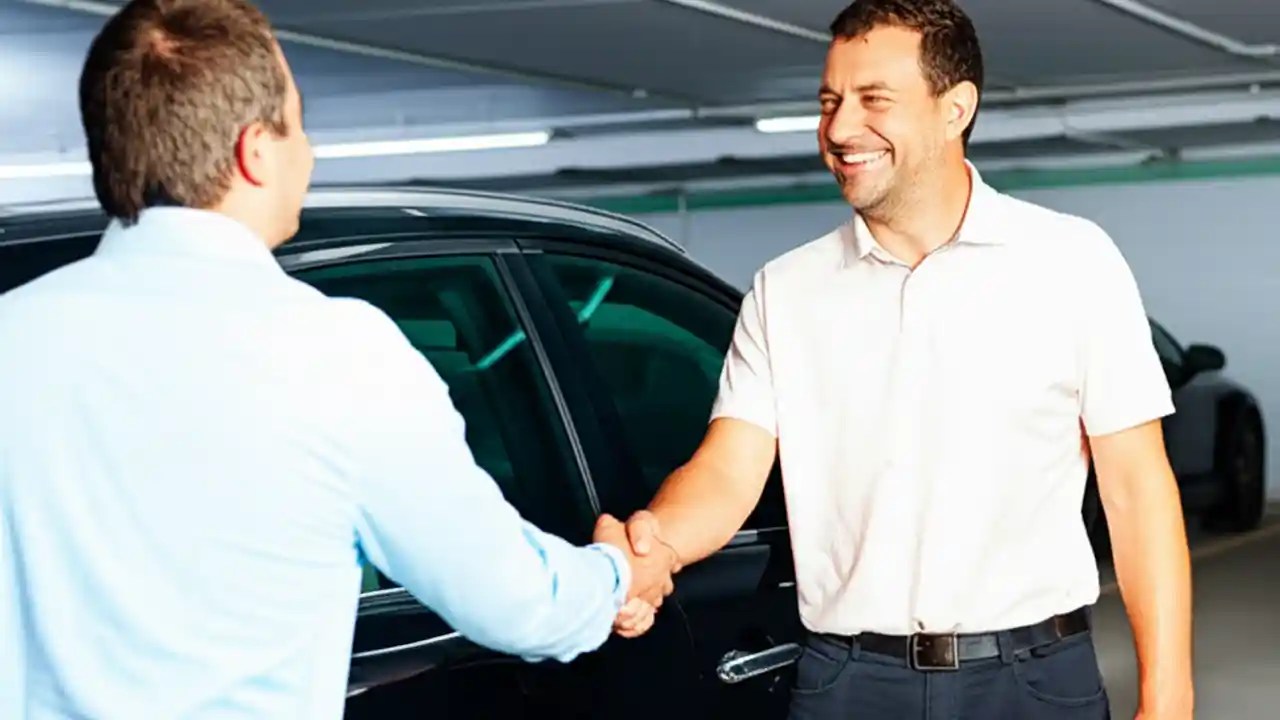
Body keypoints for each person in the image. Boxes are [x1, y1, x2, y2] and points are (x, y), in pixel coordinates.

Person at [0, 1, 673, 718]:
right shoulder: (340, 356)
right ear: (255, 152)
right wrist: (618, 576)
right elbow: (515, 602)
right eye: (299, 125)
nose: (309, 153)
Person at [608, 1, 1194, 718]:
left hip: (1032, 682)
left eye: (873, 99)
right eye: (830, 101)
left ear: (955, 109)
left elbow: (1137, 491)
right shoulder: (786, 292)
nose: (839, 128)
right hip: (849, 683)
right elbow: (727, 471)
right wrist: (657, 546)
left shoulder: (1071, 263)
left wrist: (1169, 698)